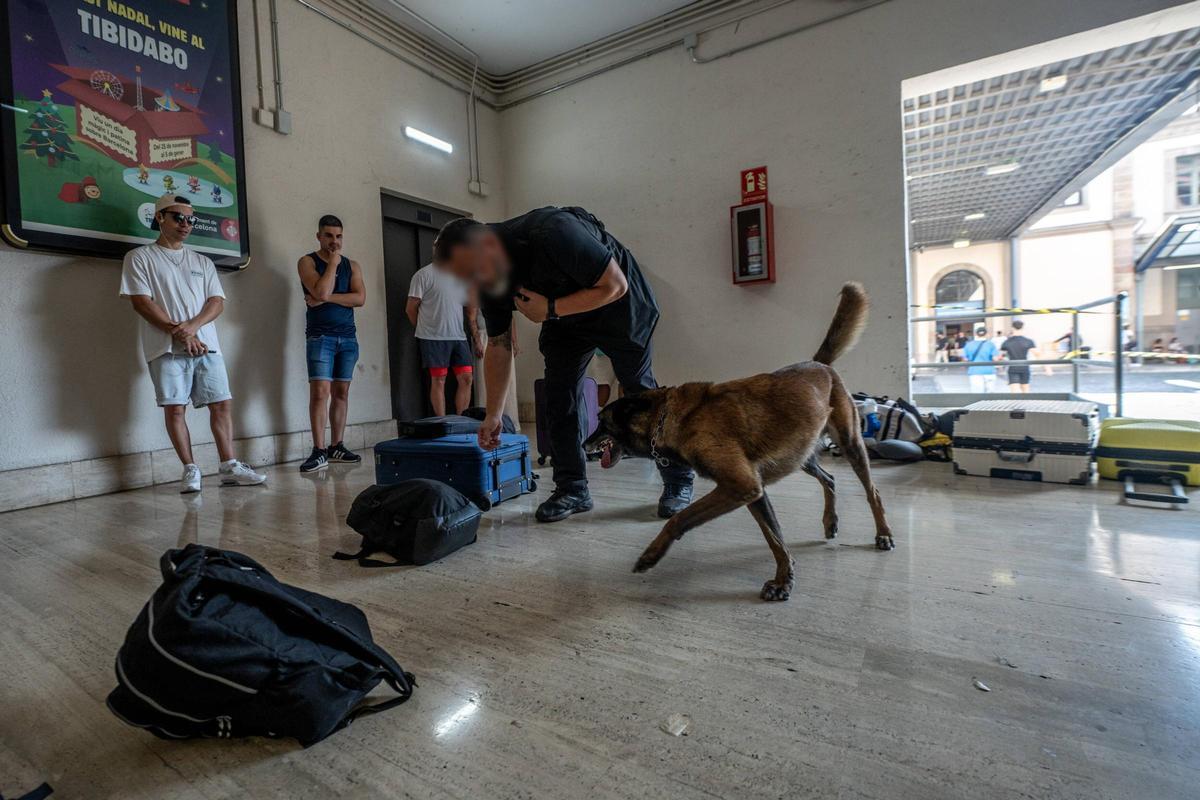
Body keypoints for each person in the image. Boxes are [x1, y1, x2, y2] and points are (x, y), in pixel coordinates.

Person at [434, 207, 695, 523]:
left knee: (640, 394)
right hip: (565, 319)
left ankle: (678, 480)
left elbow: (615, 285)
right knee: (559, 396)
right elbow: (499, 346)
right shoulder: (487, 277)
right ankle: (572, 489)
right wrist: (492, 414)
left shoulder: (554, 231)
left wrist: (552, 308)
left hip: (620, 308)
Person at [119, 194, 266, 493]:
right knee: (175, 409)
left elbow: (216, 302)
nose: (186, 224)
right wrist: (179, 333)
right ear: (160, 217)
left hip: (207, 345)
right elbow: (141, 302)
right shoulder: (139, 258)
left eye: (191, 219)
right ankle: (190, 469)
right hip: (165, 349)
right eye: (179, 217)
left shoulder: (202, 261)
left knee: (221, 404)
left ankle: (229, 466)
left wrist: (192, 329)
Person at [297, 214, 366, 473]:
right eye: (328, 236)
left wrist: (324, 299)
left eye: (338, 236)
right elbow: (321, 289)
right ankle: (319, 450)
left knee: (341, 393)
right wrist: (333, 264)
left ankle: (337, 445)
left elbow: (360, 298)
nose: (334, 242)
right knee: (320, 393)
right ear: (319, 236)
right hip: (320, 337)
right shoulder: (307, 261)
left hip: (348, 338)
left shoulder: (354, 266)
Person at [406, 262, 482, 416]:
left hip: (458, 337)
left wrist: (476, 336)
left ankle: (461, 421)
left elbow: (470, 307)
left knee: (467, 379)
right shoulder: (423, 274)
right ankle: (442, 422)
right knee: (439, 380)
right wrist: (423, 328)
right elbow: (410, 309)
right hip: (434, 338)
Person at [999, 320, 1038, 393]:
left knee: (1014, 392)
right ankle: (1025, 404)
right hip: (1024, 367)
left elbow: (1000, 356)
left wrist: (1000, 363)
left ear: (1012, 328)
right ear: (1023, 328)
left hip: (1013, 367)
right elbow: (1037, 354)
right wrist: (1047, 368)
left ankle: (1016, 404)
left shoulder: (1007, 342)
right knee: (1025, 390)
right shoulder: (1028, 341)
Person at [963, 325, 998, 394]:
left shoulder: (969, 345)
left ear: (976, 334)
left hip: (974, 371)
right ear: (986, 334)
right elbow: (995, 359)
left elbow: (965, 359)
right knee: (990, 394)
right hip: (989, 371)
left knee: (977, 394)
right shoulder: (991, 344)